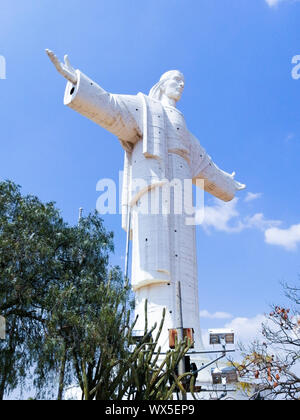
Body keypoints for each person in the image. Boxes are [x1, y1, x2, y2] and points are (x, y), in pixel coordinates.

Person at [46, 50, 245, 356]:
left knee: (185, 276)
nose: (181, 85)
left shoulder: (187, 136)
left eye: (183, 81)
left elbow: (208, 168)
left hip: (182, 198)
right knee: (155, 267)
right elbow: (112, 107)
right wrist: (77, 80)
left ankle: (188, 351)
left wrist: (229, 185)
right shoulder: (146, 108)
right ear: (162, 85)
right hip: (154, 190)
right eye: (175, 80)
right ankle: (156, 352)